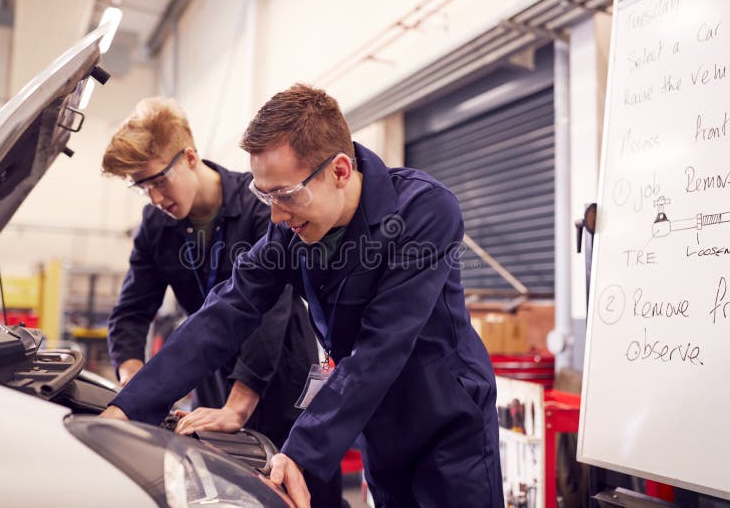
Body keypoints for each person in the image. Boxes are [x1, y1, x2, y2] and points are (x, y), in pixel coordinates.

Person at [102, 86, 503, 508]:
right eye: (265, 195)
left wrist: (301, 451)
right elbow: (228, 308)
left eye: (286, 195)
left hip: (447, 423)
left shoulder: (425, 211)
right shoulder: (290, 228)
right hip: (375, 419)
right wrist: (130, 405)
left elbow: (382, 346)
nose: (275, 215)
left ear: (341, 172)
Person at [101, 97, 343, 506]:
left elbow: (269, 311)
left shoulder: (260, 204)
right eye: (141, 186)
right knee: (220, 494)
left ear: (189, 157)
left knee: (304, 491)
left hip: (281, 372)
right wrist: (134, 383)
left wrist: (238, 407)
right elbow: (132, 309)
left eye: (158, 180)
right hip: (211, 372)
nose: (154, 196)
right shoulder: (156, 225)